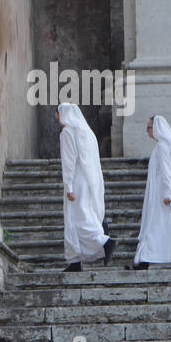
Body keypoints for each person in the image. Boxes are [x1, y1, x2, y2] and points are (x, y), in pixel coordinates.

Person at [56, 104, 115, 271]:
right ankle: (74, 261)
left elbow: (68, 162)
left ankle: (103, 241)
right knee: (81, 216)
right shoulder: (87, 133)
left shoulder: (67, 133)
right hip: (89, 181)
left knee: (77, 219)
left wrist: (68, 186)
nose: (58, 120)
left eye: (58, 115)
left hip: (76, 182)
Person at [131, 115, 171, 270]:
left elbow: (167, 172)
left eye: (149, 128)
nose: (147, 131)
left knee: (155, 223)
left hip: (162, 193)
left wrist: (168, 194)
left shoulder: (162, 147)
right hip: (164, 191)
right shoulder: (165, 145)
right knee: (169, 224)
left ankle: (145, 259)